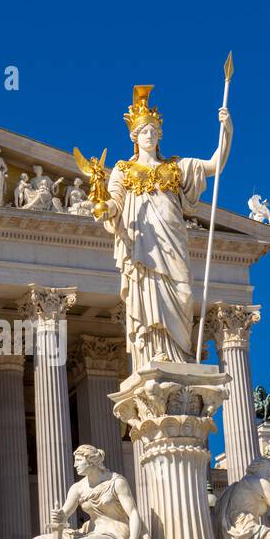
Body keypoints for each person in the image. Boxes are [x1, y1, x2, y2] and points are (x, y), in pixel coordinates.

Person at [93, 85, 232, 369]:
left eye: (154, 132)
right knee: (148, 293)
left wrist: (227, 129)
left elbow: (215, 164)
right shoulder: (123, 170)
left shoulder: (176, 166)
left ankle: (178, 356)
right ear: (135, 137)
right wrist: (104, 208)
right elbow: (115, 203)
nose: (149, 136)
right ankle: (156, 352)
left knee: (183, 293)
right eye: (144, 132)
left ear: (159, 136)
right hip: (144, 242)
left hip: (172, 239)